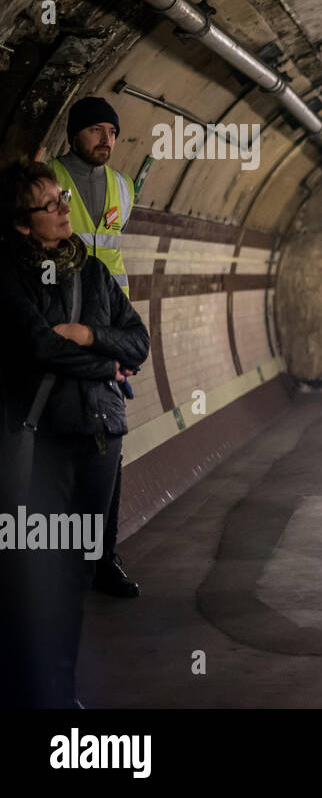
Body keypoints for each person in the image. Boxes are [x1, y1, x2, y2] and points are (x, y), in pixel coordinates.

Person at [0, 160, 150, 707]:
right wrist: (105, 366)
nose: (65, 209)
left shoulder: (92, 273)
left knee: (75, 577)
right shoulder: (12, 276)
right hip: (45, 440)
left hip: (101, 436)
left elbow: (138, 344)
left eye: (63, 198)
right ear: (22, 224)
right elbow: (38, 347)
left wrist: (89, 334)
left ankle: (58, 692)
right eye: (50, 204)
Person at [49, 96, 140, 598]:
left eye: (112, 130)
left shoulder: (122, 188)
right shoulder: (46, 179)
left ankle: (103, 557)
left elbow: (114, 258)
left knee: (111, 443)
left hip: (108, 337)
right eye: (95, 130)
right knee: (57, 443)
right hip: (57, 333)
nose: (105, 138)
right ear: (74, 133)